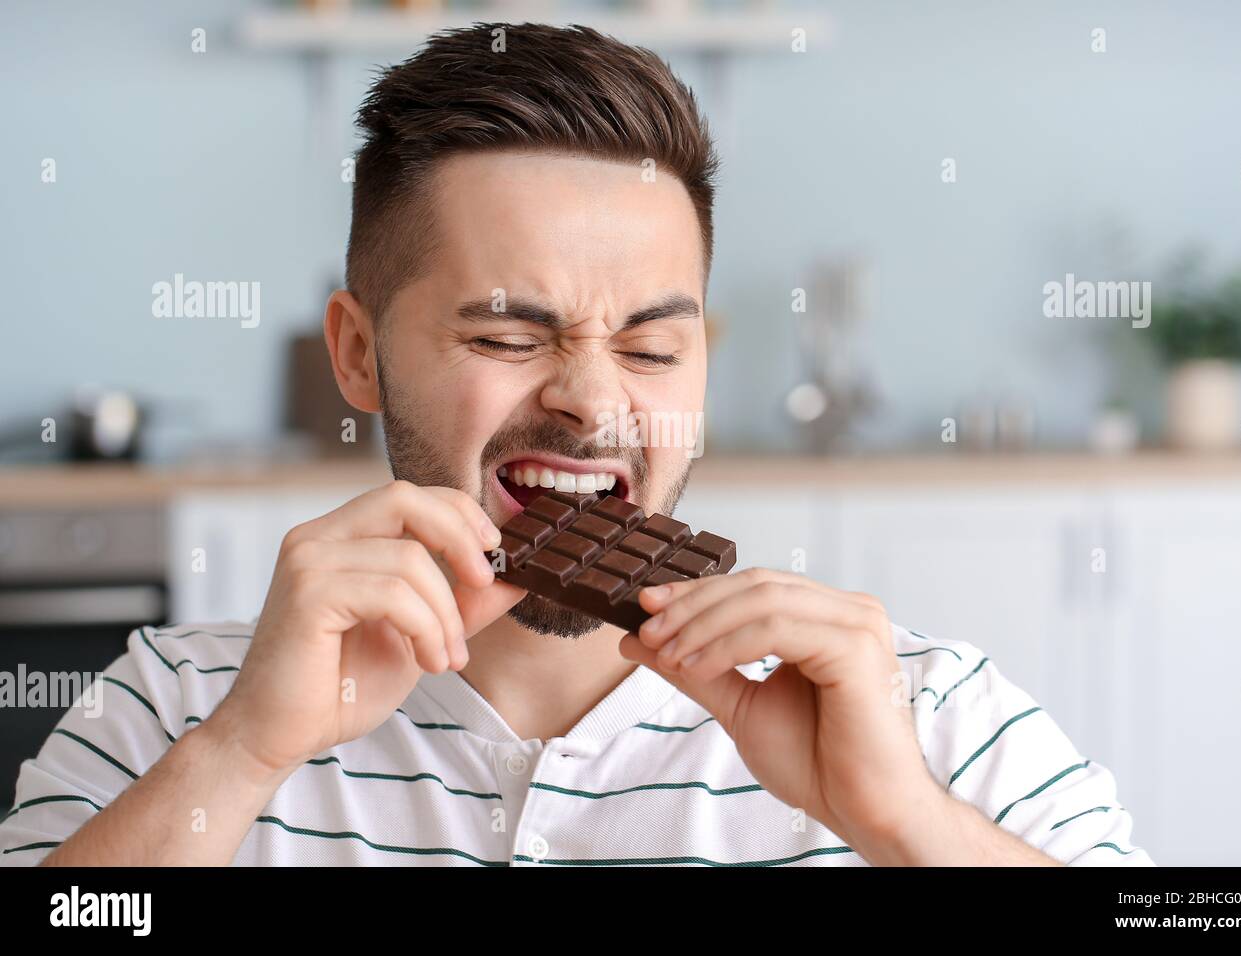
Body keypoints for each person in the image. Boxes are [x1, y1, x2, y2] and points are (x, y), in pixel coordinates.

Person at [0, 22, 1151, 867]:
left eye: (652, 349)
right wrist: (240, 756)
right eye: (507, 331)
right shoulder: (170, 707)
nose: (593, 402)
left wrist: (903, 823)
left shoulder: (926, 713)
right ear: (357, 353)